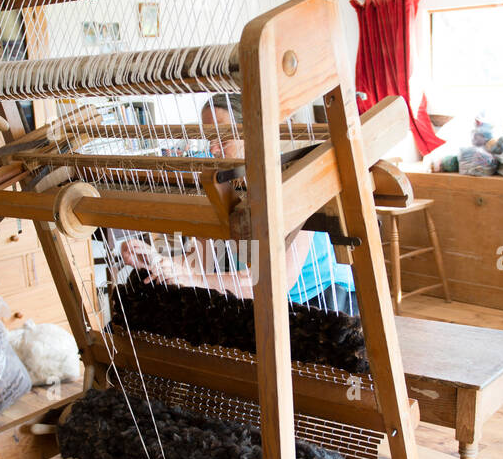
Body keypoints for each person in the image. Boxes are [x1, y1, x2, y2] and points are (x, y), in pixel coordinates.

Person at [120, 93, 358, 313]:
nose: (213, 149)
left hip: (321, 300)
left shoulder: (292, 182)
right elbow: (197, 263)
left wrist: (193, 280)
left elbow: (275, 281)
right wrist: (156, 260)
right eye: (209, 140)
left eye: (223, 138)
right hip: (262, 299)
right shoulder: (221, 187)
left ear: (252, 135)